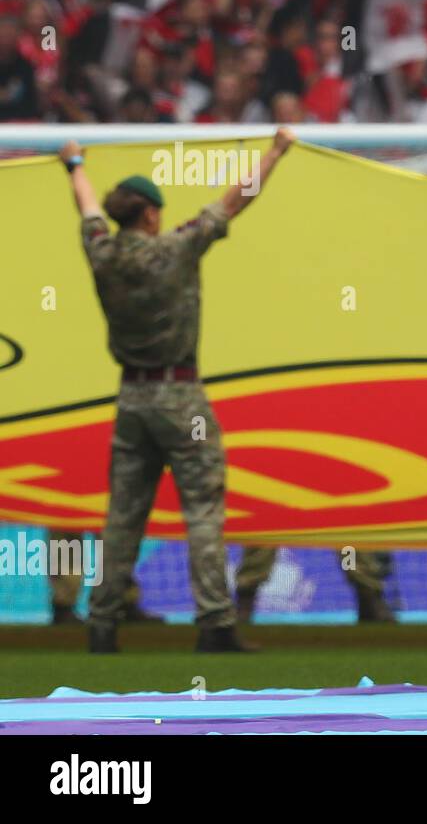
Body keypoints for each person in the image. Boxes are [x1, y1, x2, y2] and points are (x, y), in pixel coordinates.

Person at [67, 127, 297, 653]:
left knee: (123, 513)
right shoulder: (176, 247)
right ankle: (214, 623)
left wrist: (73, 162)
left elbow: (85, 209)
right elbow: (236, 200)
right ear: (150, 214)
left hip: (130, 399)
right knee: (202, 509)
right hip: (180, 394)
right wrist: (277, 151)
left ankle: (102, 622)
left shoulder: (101, 252)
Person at [235, 547, 396, 623]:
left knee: (348, 543)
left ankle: (367, 595)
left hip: (331, 488)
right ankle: (246, 596)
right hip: (282, 488)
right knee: (265, 529)